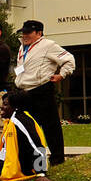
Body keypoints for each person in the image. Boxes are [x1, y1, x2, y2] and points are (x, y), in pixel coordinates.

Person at [13, 19, 75, 166]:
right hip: (24, 92)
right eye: (23, 32)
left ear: (39, 33)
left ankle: (57, 160)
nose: (25, 35)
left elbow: (69, 59)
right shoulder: (22, 47)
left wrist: (62, 74)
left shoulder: (48, 45)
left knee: (50, 127)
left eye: (28, 32)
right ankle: (33, 162)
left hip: (42, 90)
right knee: (29, 128)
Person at [0, 89, 50, 181]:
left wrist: (41, 173)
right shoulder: (11, 120)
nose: (1, 107)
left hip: (20, 167)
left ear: (15, 107)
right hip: (4, 160)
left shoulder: (22, 120)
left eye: (5, 104)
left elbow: (37, 146)